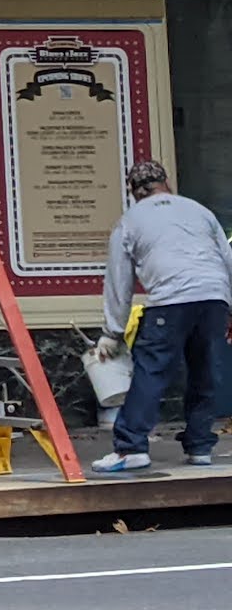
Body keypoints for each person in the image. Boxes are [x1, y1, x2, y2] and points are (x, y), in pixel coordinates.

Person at [90, 159, 232, 473]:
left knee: (150, 373)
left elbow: (118, 282)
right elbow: (227, 257)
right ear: (166, 183)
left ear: (134, 192)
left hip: (169, 302)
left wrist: (112, 333)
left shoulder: (130, 221)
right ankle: (199, 447)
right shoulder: (199, 211)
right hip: (213, 298)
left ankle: (131, 448)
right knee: (205, 370)